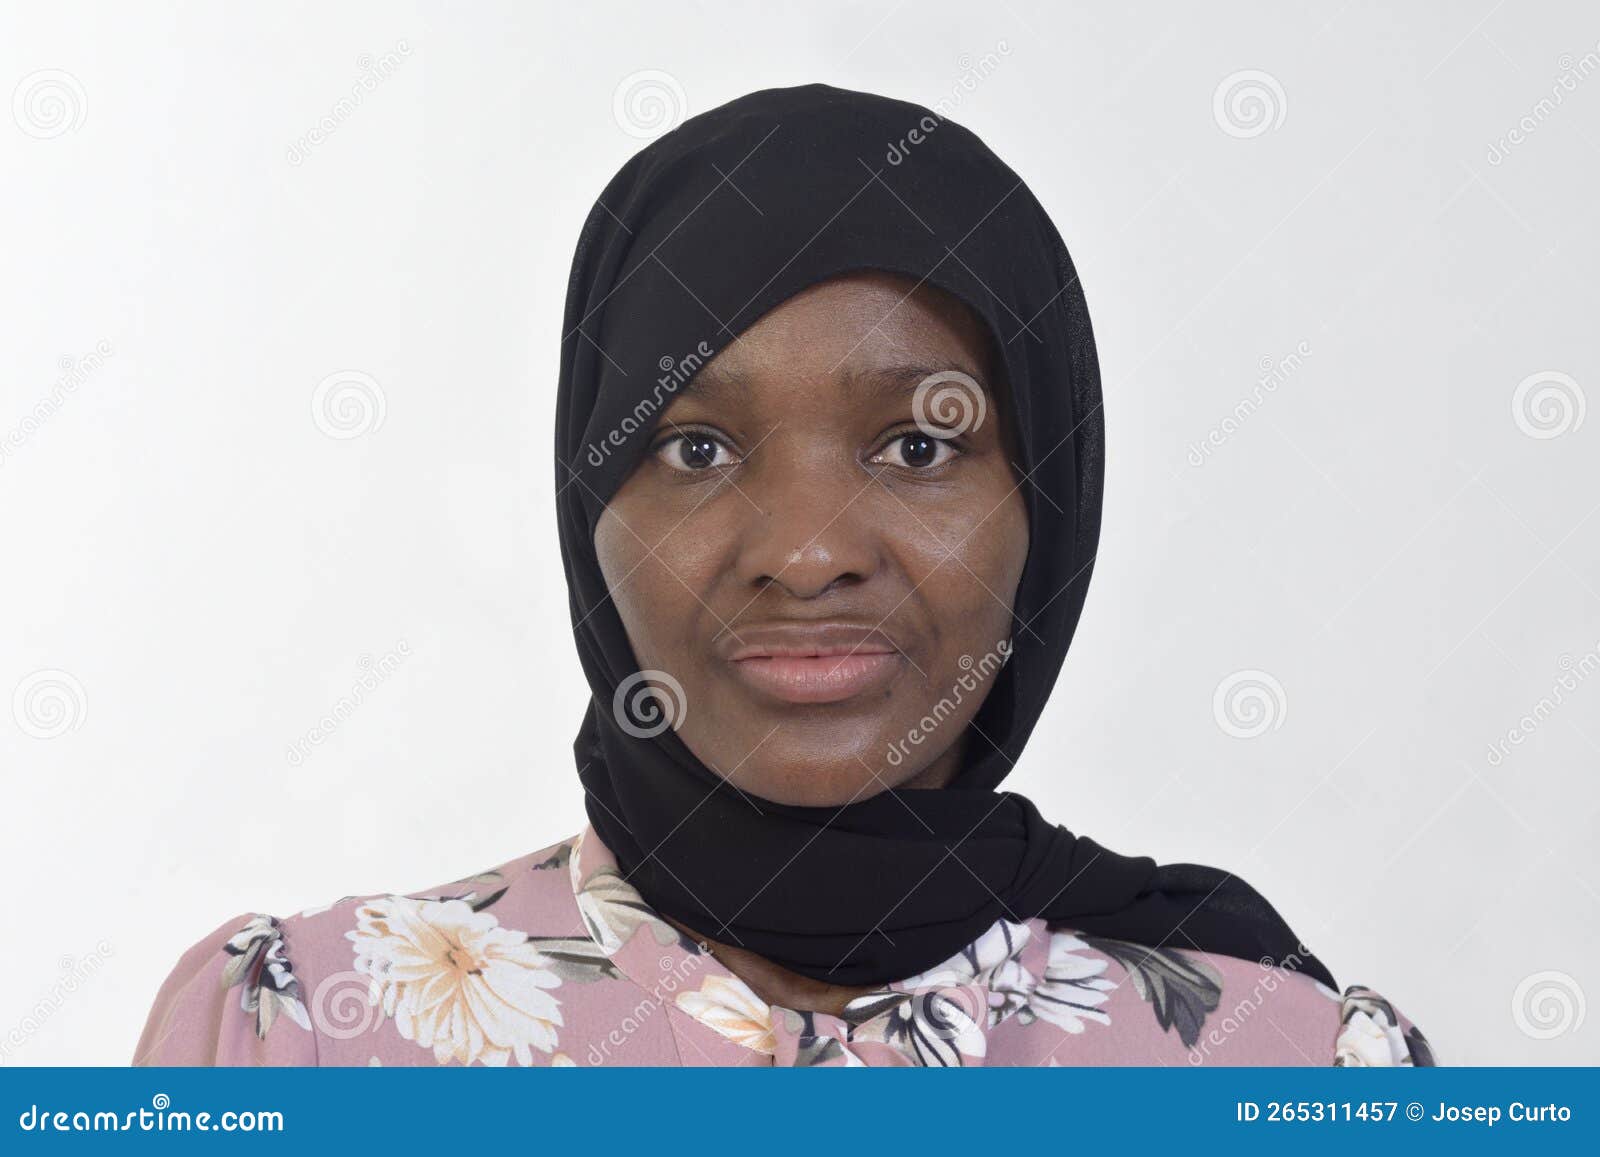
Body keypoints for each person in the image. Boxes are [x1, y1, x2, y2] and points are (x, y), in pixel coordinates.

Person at [135, 83, 1433, 1068]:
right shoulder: (302, 1035)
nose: (810, 552)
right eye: (694, 447)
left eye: (920, 442)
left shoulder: (1282, 1063)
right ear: (590, 508)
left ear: (1048, 504)